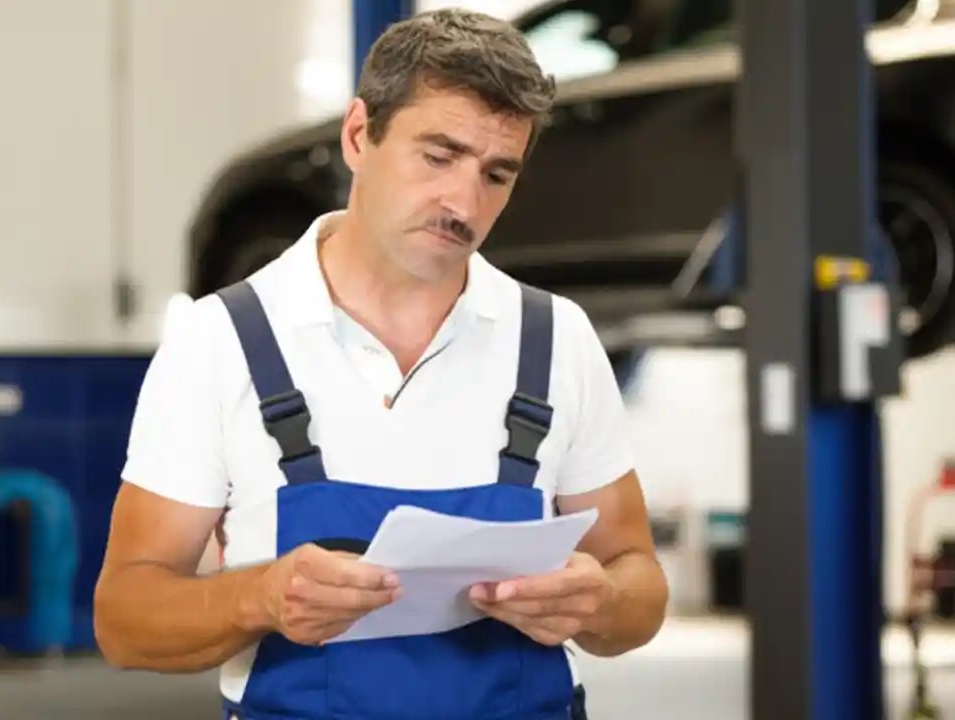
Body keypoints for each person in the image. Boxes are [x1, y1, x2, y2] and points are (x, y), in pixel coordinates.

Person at [93, 7, 668, 720]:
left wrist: (601, 601)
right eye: (438, 155)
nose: (464, 202)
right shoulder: (222, 342)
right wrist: (260, 596)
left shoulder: (555, 340)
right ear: (359, 135)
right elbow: (124, 618)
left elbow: (639, 585)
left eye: (496, 173)